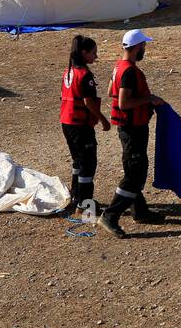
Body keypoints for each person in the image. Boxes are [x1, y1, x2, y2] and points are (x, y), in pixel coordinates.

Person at [101, 30, 166, 238]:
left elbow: (111, 90)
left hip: (127, 126)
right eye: (144, 47)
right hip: (132, 127)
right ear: (137, 47)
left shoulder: (118, 67)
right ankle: (110, 215)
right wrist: (149, 99)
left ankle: (140, 211)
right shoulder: (129, 71)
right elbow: (123, 102)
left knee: (134, 168)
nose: (144, 50)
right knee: (135, 173)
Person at [60, 34, 110, 215]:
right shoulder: (84, 75)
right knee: (88, 164)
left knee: (77, 161)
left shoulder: (68, 72)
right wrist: (103, 119)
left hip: (66, 122)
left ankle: (76, 197)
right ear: (84, 52)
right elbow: (88, 102)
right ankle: (85, 205)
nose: (96, 56)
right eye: (93, 53)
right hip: (80, 124)